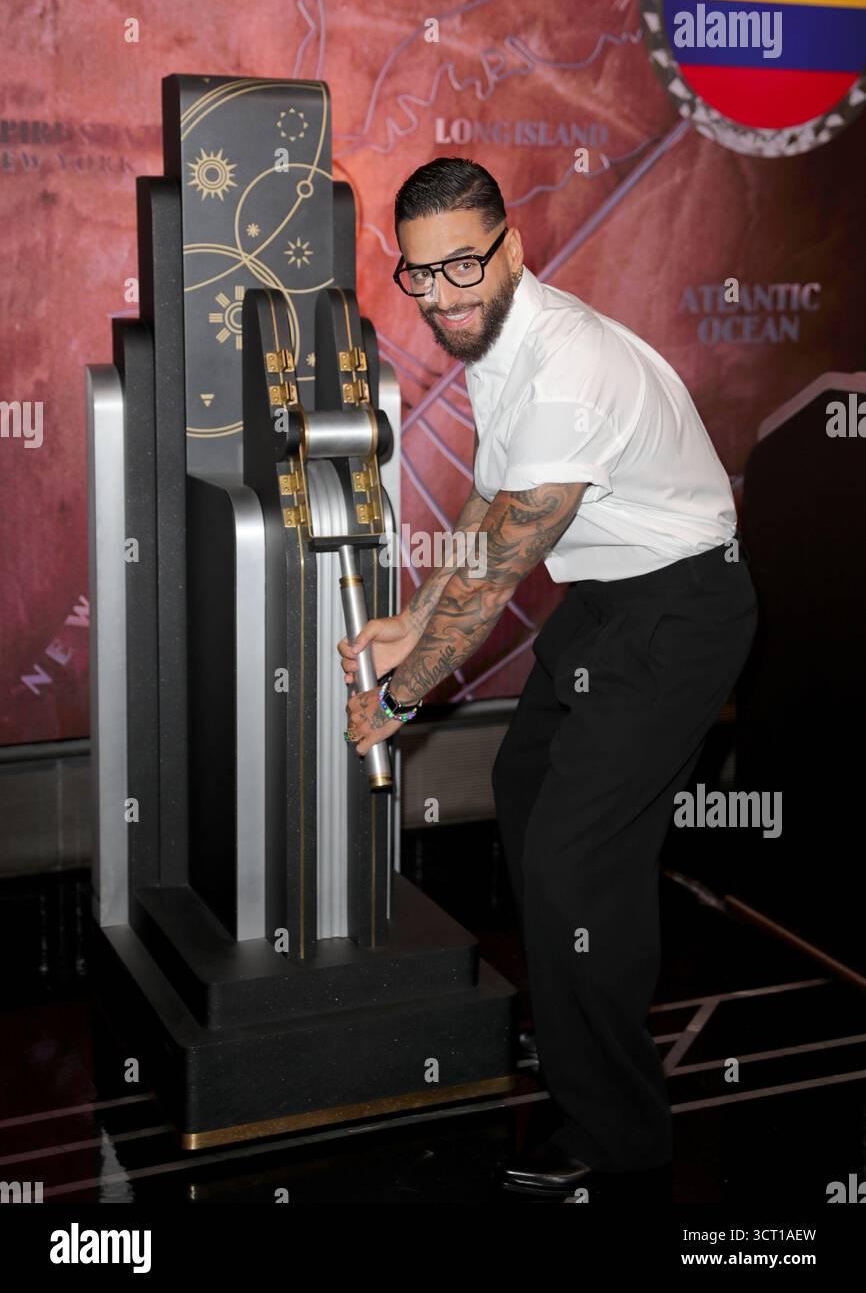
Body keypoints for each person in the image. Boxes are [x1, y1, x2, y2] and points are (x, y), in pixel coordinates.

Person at [337, 157, 758, 1201]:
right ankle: (574, 1030)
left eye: (463, 265)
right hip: (611, 603)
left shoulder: (561, 362)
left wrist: (397, 698)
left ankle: (615, 1131)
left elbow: (501, 573)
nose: (442, 294)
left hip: (679, 612)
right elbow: (486, 522)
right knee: (527, 794)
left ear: (509, 248)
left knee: (576, 858)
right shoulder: (497, 343)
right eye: (421, 275)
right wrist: (408, 620)